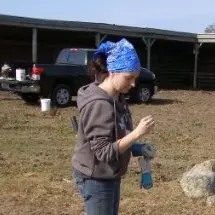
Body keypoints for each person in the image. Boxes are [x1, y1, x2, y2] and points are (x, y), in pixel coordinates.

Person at [72, 38, 155, 215]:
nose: (133, 84)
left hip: (110, 174)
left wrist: (137, 148)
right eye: (129, 78)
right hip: (96, 178)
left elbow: (117, 136)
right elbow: (103, 152)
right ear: (113, 72)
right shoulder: (99, 105)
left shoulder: (118, 98)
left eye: (135, 78)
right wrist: (136, 134)